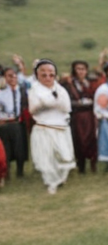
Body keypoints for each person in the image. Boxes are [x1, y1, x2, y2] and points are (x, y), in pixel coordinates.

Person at [28, 60, 76, 194]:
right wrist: (45, 104)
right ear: (38, 75)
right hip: (44, 128)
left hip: (61, 127)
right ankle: (51, 183)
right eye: (44, 75)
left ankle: (61, 178)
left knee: (65, 156)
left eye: (51, 75)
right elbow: (33, 109)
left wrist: (54, 102)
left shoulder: (60, 89)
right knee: (46, 159)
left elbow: (66, 107)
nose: (48, 78)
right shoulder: (34, 90)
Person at [60, 54, 106, 174]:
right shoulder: (69, 84)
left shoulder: (90, 82)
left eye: (83, 69)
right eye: (78, 69)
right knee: (79, 140)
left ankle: (93, 164)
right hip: (77, 116)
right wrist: (78, 103)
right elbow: (65, 100)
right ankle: (81, 166)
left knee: (92, 139)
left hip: (90, 115)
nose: (81, 71)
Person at [0, 66, 29, 180]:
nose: (13, 78)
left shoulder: (21, 89)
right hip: (3, 123)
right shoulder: (2, 90)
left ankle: (20, 171)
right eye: (9, 76)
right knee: (6, 148)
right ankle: (6, 172)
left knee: (19, 148)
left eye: (14, 75)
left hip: (17, 122)